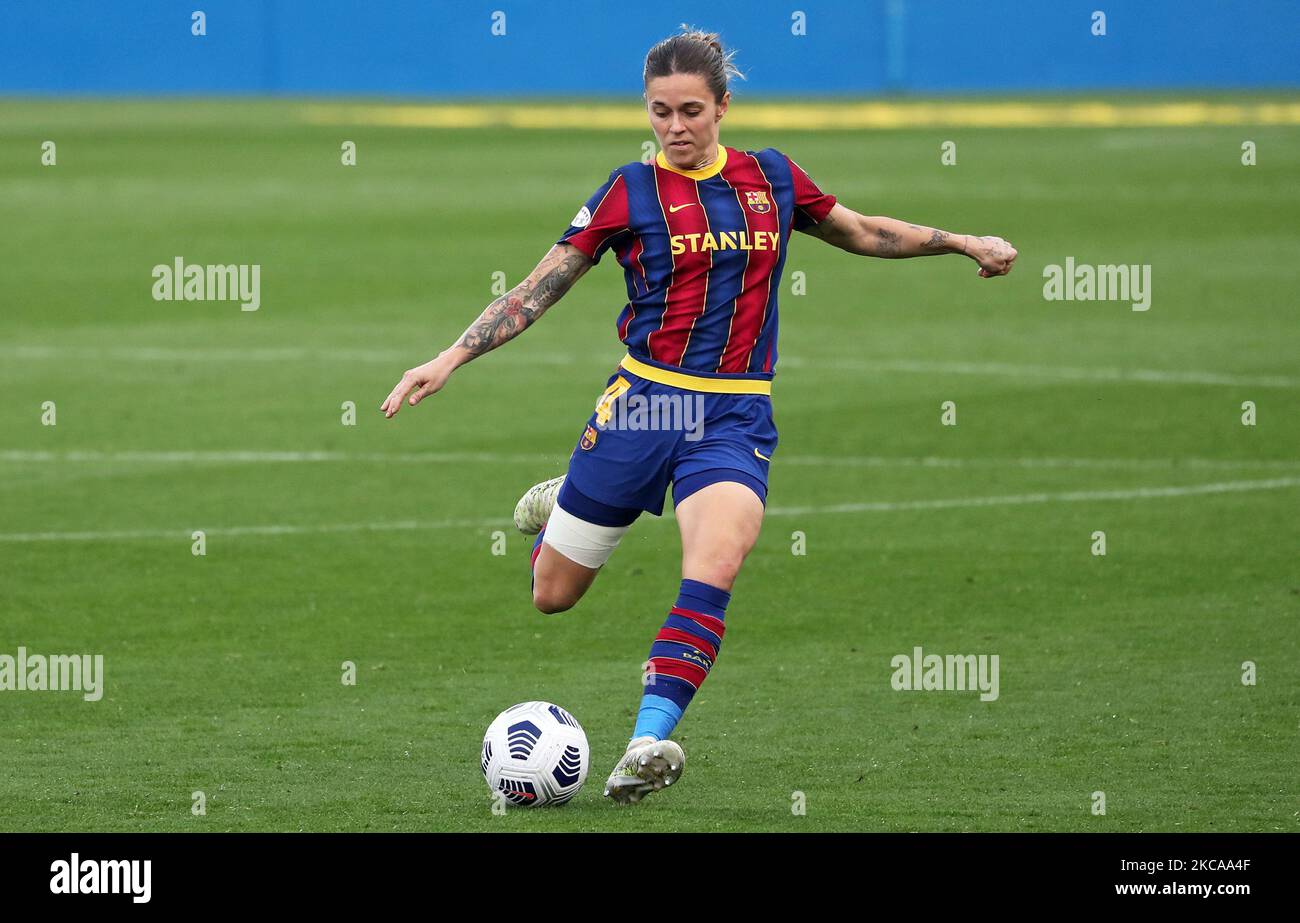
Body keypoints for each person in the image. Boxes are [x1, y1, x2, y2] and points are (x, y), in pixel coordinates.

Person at [381, 27, 1018, 805]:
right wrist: (449, 356)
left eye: (690, 111)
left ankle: (647, 740)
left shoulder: (771, 177)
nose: (675, 128)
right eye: (659, 113)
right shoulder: (628, 191)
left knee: (714, 563)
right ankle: (566, 499)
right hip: (642, 407)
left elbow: (859, 230)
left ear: (722, 106)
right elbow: (537, 288)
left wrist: (961, 241)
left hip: (735, 414)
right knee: (553, 593)